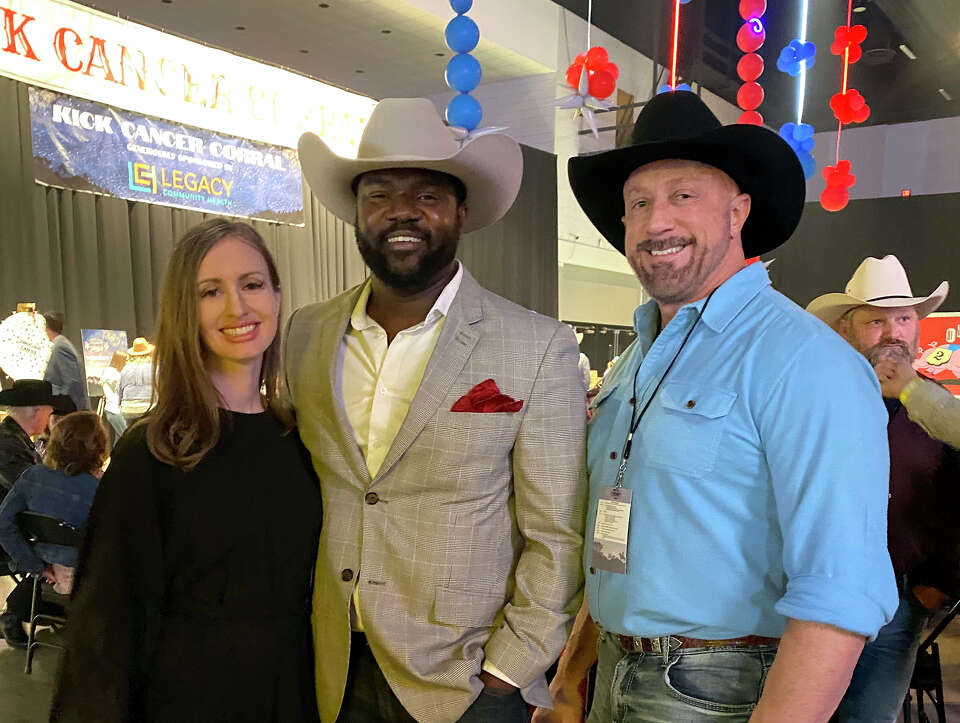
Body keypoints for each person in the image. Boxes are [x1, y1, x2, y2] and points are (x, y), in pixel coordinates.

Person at [536, 90, 897, 723]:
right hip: (612, 672)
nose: (656, 222)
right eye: (638, 203)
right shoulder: (637, 360)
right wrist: (569, 680)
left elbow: (840, 590)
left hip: (722, 689)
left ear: (738, 212)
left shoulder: (806, 360)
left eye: (683, 195)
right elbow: (616, 538)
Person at [288, 97, 587, 722]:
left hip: (466, 685)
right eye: (380, 195)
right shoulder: (307, 335)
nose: (402, 210)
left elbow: (557, 532)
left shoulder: (535, 345)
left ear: (460, 212)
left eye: (427, 195)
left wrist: (510, 667)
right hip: (332, 670)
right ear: (356, 212)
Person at [50, 219, 323, 722]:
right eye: (210, 291)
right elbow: (105, 627)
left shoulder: (300, 438)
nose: (237, 307)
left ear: (277, 295)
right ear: (185, 309)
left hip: (293, 695)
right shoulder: (154, 452)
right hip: (187, 700)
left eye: (252, 284)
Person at [807, 255, 960, 722]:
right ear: (846, 330)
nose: (893, 333)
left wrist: (939, 585)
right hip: (814, 595)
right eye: (876, 321)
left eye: (904, 319)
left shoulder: (938, 407)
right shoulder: (814, 400)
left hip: (899, 603)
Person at [0, 411, 106, 601]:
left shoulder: (33, 476)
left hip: (44, 572)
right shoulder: (102, 490)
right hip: (92, 580)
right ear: (99, 448)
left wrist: (35, 566)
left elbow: (3, 524)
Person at [0, 378, 55, 648]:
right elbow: (30, 492)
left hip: (14, 523)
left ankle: (37, 604)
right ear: (36, 411)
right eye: (49, 412)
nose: (50, 418)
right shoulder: (7, 444)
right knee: (62, 542)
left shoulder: (14, 439)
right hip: (9, 531)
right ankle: (15, 612)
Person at [42, 312, 89, 411]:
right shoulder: (60, 344)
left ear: (46, 327)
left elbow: (72, 382)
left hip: (67, 412)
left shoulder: (60, 347)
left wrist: (60, 410)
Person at [117, 338, 153, 421]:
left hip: (128, 409)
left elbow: (119, 389)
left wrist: (120, 405)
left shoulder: (126, 369)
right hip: (150, 408)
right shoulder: (154, 367)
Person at [100, 350, 128, 447]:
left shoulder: (114, 372)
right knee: (125, 435)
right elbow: (118, 382)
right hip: (114, 409)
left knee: (120, 438)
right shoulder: (111, 372)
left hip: (116, 409)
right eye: (125, 360)